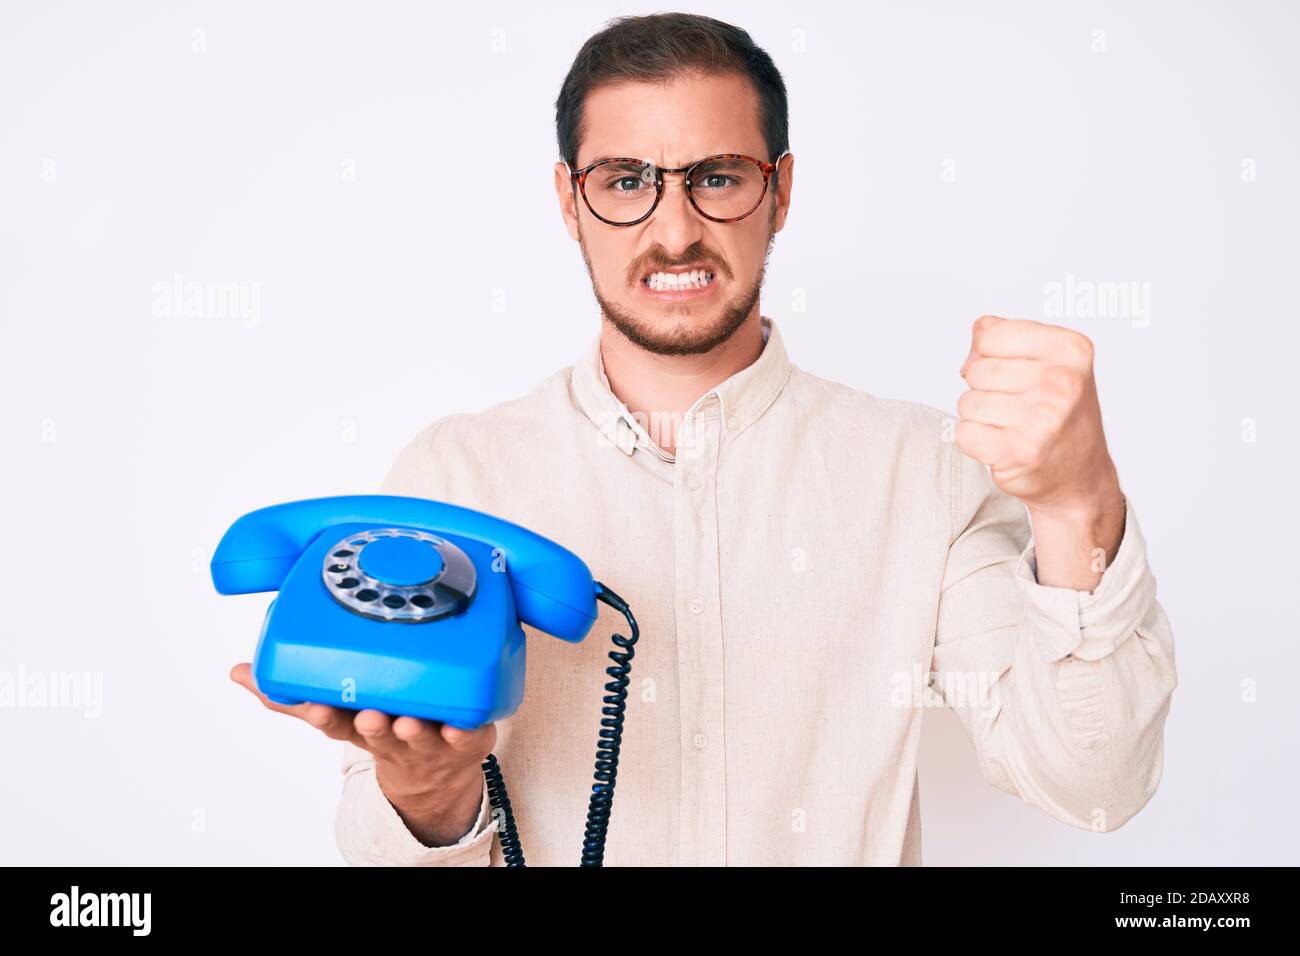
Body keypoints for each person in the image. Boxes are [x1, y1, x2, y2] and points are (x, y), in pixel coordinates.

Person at [230, 12, 1177, 866]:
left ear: (781, 191)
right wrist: (427, 798)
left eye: (717, 178)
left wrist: (1076, 502)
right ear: (569, 201)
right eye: (626, 181)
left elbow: (1095, 786)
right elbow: (374, 848)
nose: (674, 230)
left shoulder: (926, 472)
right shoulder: (454, 479)